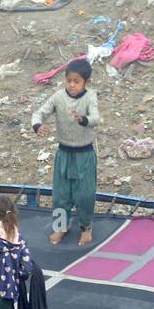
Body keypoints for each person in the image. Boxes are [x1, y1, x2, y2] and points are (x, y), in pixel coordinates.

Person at [33, 58, 100, 246]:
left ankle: (86, 227)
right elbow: (39, 113)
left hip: (84, 155)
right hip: (64, 154)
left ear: (87, 82)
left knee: (85, 195)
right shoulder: (58, 97)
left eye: (76, 81)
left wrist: (84, 119)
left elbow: (95, 118)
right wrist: (37, 125)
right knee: (61, 194)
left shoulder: (90, 97)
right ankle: (61, 227)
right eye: (68, 80)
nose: (71, 85)